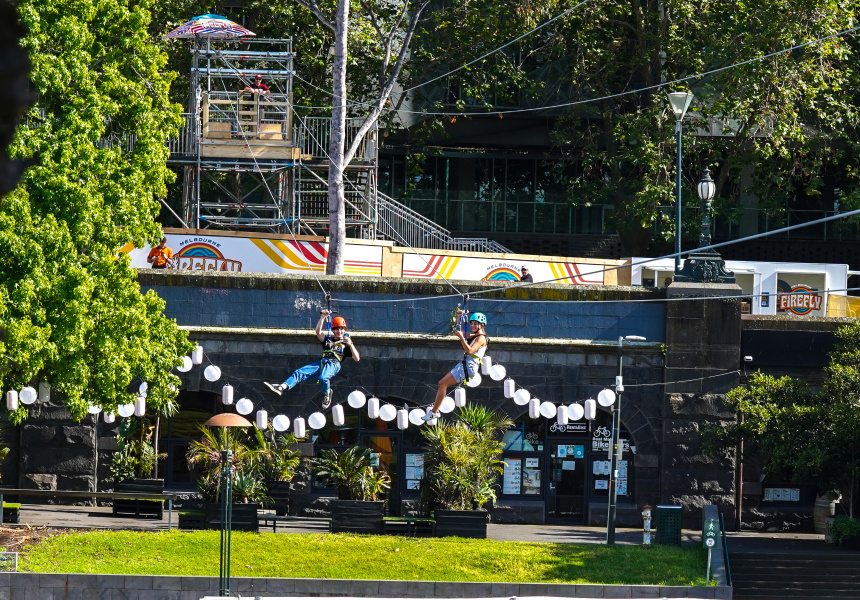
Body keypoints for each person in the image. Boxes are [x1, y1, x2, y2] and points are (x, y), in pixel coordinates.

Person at [264, 309, 360, 409]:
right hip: (323, 362)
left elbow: (357, 358)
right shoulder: (328, 340)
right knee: (299, 372)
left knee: (323, 377)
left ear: (344, 330)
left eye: (341, 329)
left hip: (334, 364)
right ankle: (281, 387)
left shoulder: (346, 343)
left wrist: (351, 344)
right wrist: (322, 317)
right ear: (333, 330)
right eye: (336, 329)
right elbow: (318, 332)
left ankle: (327, 392)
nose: (339, 331)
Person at [423, 311, 488, 421]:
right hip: (465, 364)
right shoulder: (475, 336)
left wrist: (462, 338)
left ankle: (434, 412)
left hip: (469, 367)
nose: (472, 326)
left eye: (475, 324)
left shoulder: (481, 338)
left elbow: (470, 350)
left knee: (442, 383)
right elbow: (459, 332)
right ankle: (434, 412)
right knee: (441, 383)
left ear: (481, 325)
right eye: (471, 323)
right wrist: (459, 318)